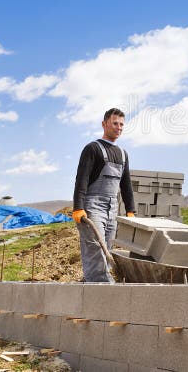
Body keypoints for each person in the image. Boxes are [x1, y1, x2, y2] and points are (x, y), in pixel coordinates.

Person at [72, 107, 135, 282]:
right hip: (93, 206)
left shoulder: (123, 154)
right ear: (104, 124)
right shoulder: (92, 149)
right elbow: (81, 180)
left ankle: (96, 286)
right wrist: (78, 207)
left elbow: (126, 184)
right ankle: (102, 291)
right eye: (115, 123)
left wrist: (131, 210)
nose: (119, 127)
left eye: (122, 124)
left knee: (107, 250)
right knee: (96, 250)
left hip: (112, 208)